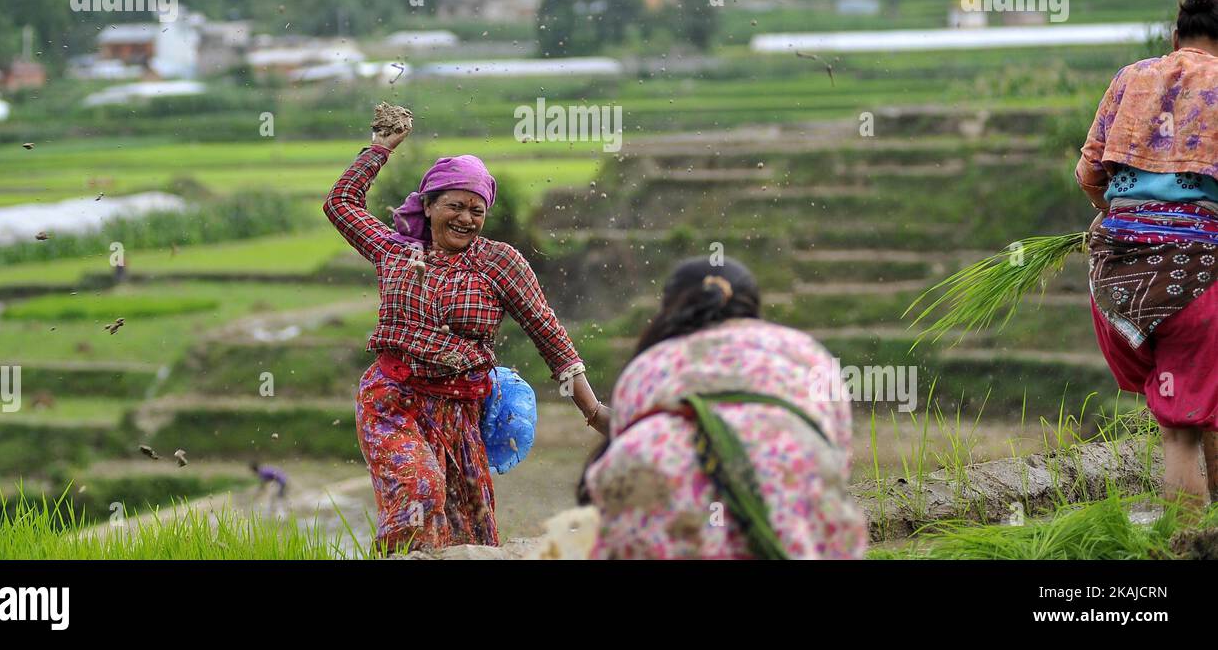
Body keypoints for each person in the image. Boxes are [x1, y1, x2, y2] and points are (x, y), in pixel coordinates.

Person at [323, 113, 609, 551]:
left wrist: (593, 413)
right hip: (393, 401)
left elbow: (549, 336)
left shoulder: (500, 262)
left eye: (477, 210)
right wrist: (381, 148)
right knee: (418, 491)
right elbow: (340, 204)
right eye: (455, 205)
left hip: (461, 414)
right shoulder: (395, 250)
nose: (466, 218)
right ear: (430, 205)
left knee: (466, 531)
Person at [578, 256, 866, 559]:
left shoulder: (645, 366)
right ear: (753, 307)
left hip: (665, 522)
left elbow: (622, 444)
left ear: (671, 310)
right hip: (789, 522)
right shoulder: (807, 353)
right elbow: (836, 455)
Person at [1077, 0, 1218, 507]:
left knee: (1189, 402)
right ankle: (1188, 545)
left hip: (1115, 273)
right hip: (1196, 272)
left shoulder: (1131, 77)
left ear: (1176, 38)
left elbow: (1091, 176)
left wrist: (1129, 214)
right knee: (1183, 427)